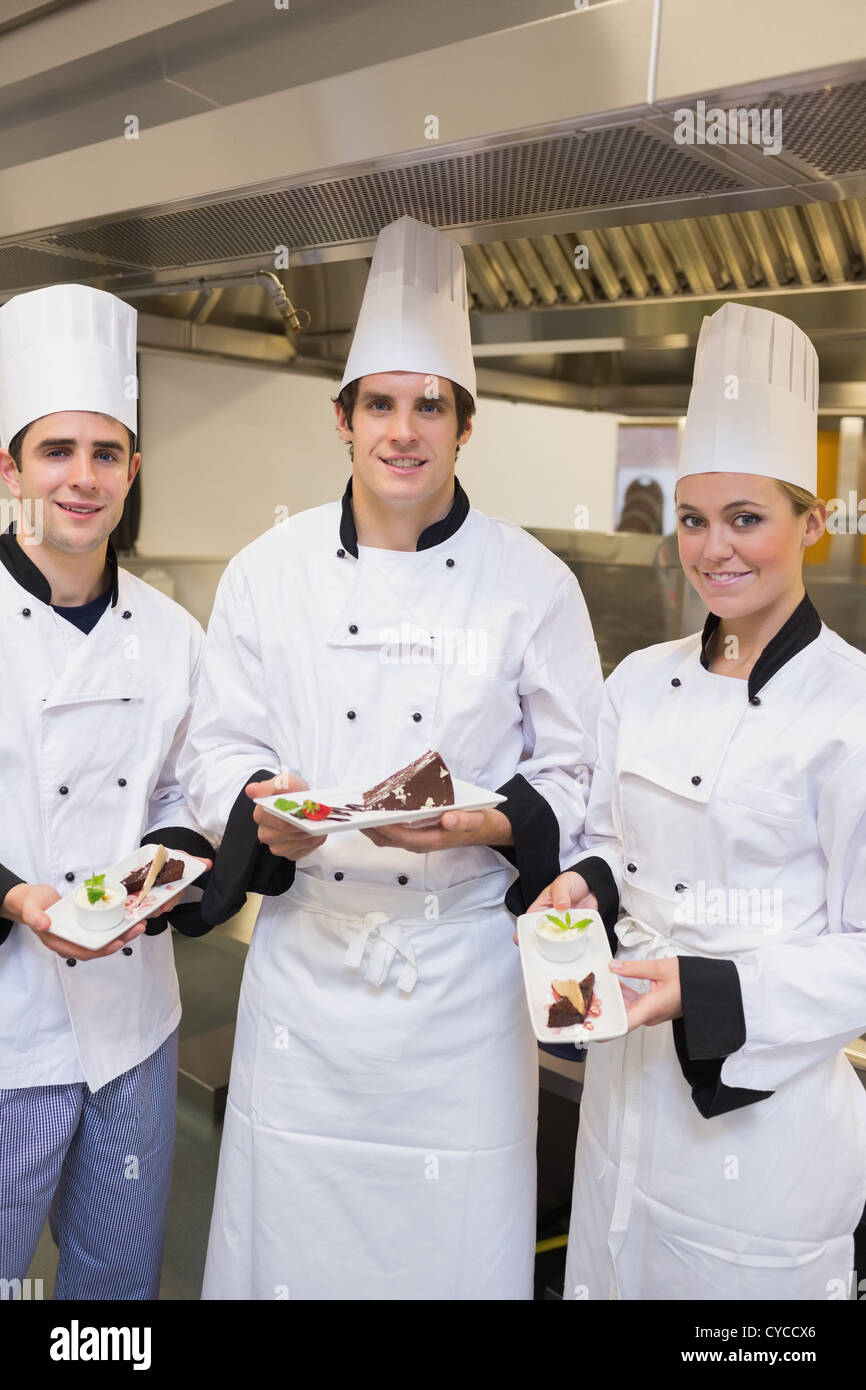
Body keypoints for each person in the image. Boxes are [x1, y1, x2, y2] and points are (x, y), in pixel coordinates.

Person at [179, 215, 610, 1299]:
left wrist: (489, 821)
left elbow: (580, 776)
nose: (403, 430)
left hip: (458, 993)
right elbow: (217, 743)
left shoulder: (530, 583)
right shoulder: (267, 572)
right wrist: (256, 803)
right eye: (381, 402)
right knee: (288, 1243)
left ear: (466, 426)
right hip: (305, 979)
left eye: (431, 406)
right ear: (343, 418)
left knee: (449, 1252)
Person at [530, 301, 866, 1301]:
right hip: (622, 1113)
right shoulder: (635, 678)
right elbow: (606, 843)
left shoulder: (849, 709)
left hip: (762, 1143)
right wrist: (576, 889)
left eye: (745, 519)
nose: (712, 548)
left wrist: (701, 988)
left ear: (811, 522)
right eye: (691, 519)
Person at [0, 284, 214, 1300]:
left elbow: (190, 783)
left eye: (105, 453)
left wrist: (163, 869)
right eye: (56, 451)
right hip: (5, 1025)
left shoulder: (173, 631)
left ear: (133, 470)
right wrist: (16, 895)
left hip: (134, 1021)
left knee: (116, 1288)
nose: (81, 479)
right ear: (9, 467)